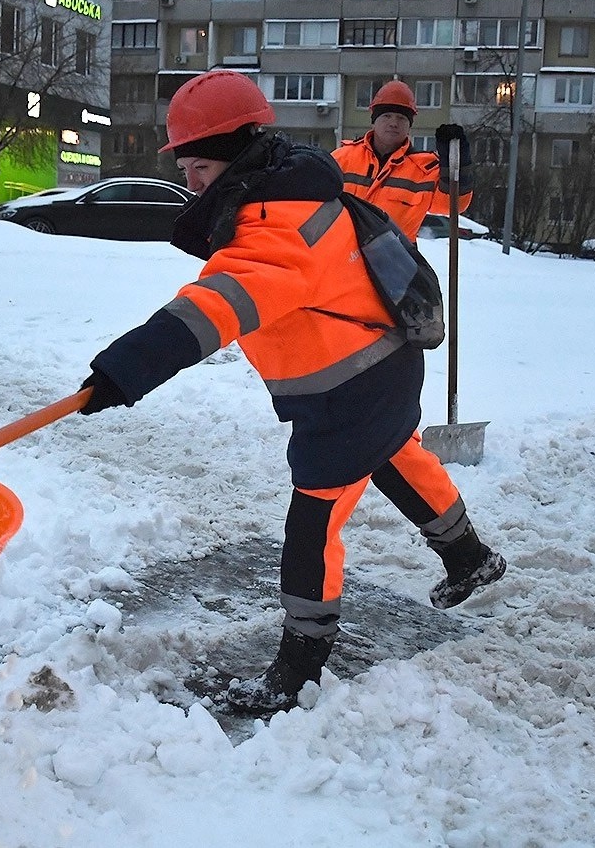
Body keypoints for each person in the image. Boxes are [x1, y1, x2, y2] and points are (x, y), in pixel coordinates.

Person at [75, 69, 505, 714]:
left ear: (231, 157)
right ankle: (469, 556)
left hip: (354, 382)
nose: (188, 180)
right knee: (396, 455)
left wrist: (125, 369)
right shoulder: (282, 194)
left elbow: (218, 304)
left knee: (312, 524)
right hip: (375, 362)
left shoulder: (281, 225)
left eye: (195, 164)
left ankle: (298, 672)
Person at [332, 79, 472, 243]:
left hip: (395, 260)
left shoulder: (424, 170)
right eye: (386, 116)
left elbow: (452, 205)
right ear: (374, 120)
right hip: (341, 256)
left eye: (401, 118)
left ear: (409, 125)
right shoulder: (342, 158)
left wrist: (458, 165)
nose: (393, 123)